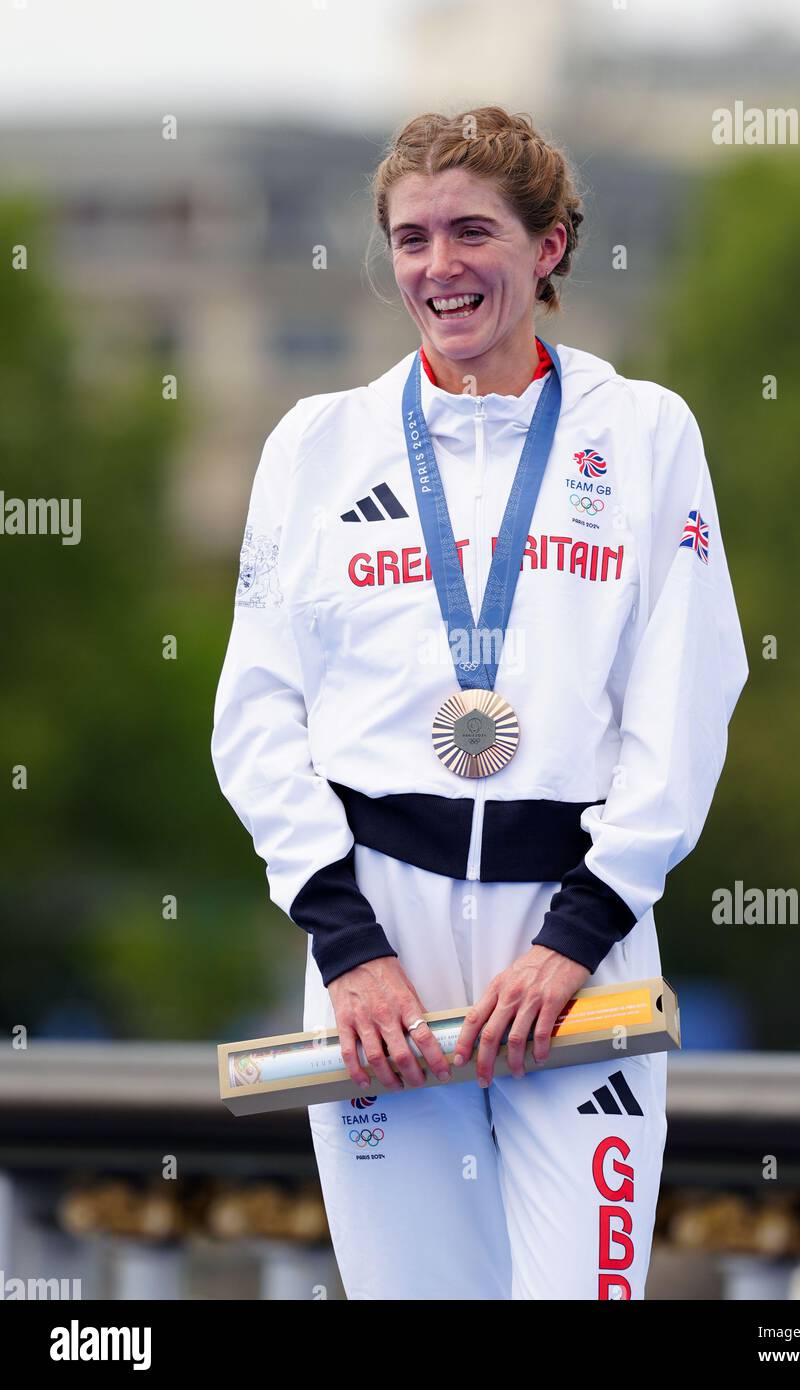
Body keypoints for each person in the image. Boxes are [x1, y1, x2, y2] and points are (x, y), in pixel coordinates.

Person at [211, 106, 748, 1301]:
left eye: (472, 232)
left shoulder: (644, 432)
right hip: (376, 959)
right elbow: (255, 714)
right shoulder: (315, 443)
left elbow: (689, 692)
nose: (438, 268)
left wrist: (578, 931)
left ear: (550, 245)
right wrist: (347, 950)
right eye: (410, 239)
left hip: (581, 941)